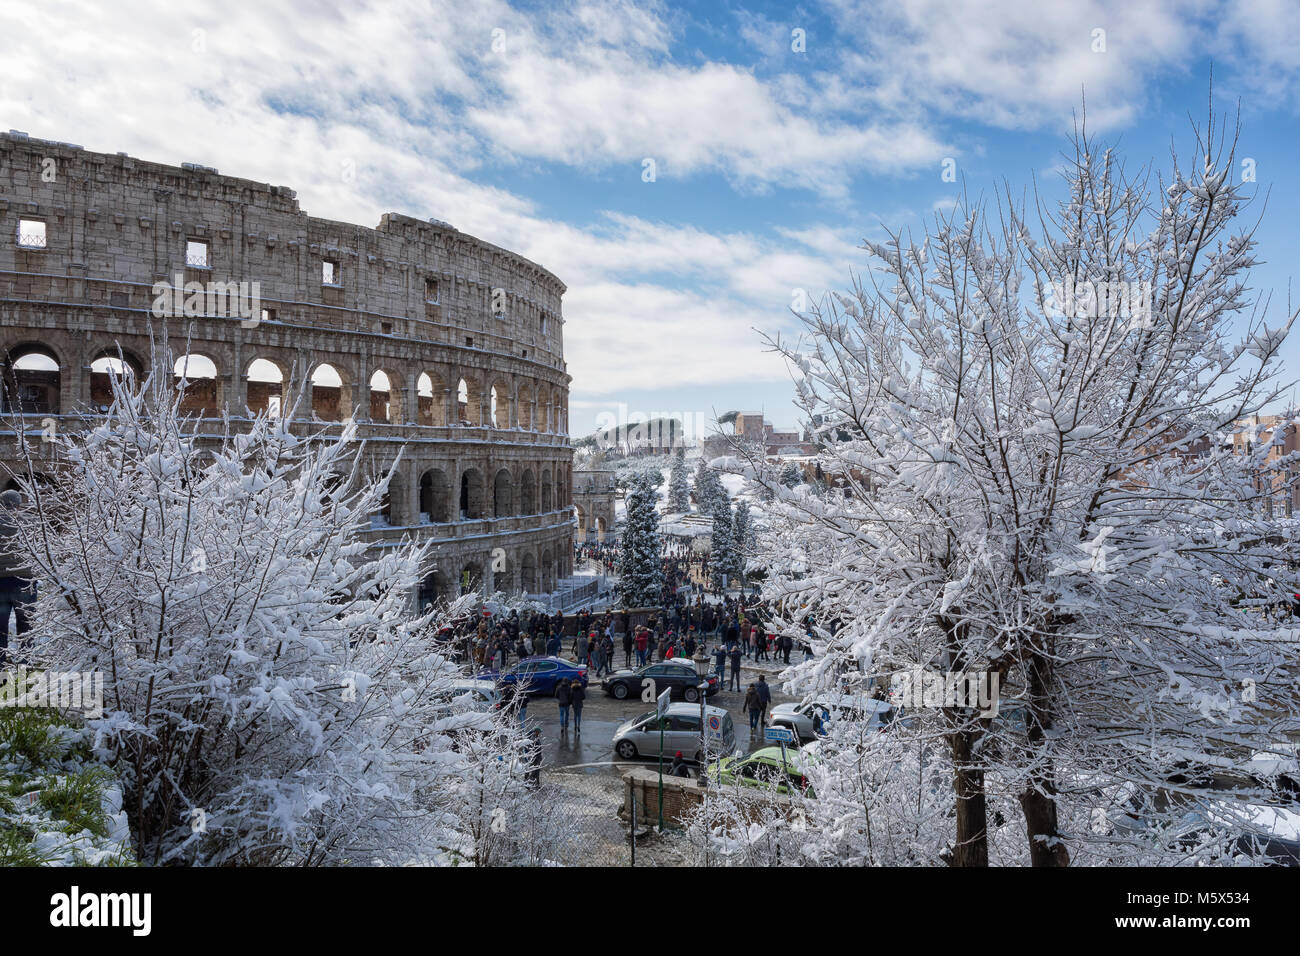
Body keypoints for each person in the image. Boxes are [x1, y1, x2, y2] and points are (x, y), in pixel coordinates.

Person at [0, 490, 33, 664]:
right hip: (24, 581)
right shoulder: (27, 523)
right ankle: (25, 668)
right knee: (26, 627)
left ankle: (0, 672)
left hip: (0, 581)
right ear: (18, 504)